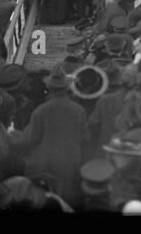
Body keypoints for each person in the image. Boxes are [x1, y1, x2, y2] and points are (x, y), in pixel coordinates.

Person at [14, 65, 91, 208]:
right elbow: (85, 138)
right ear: (66, 87)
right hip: (71, 163)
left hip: (46, 165)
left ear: (49, 88)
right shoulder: (79, 110)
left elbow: (31, 139)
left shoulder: (41, 111)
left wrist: (15, 137)